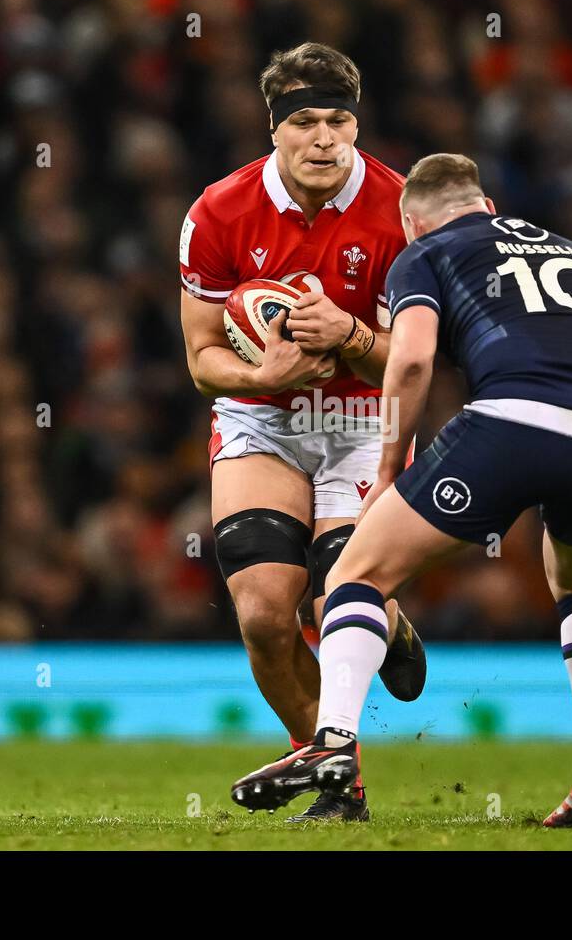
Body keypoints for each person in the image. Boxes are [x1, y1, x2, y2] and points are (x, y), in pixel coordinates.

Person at [231, 153, 572, 827]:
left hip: (512, 422)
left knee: (356, 573)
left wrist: (387, 470)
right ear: (487, 209)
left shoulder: (426, 252)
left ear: (414, 223)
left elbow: (413, 357)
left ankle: (332, 752)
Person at [178, 43, 426, 822]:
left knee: (334, 595)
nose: (324, 138)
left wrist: (351, 335)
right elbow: (201, 358)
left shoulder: (403, 212)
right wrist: (263, 376)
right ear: (274, 127)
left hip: (364, 419)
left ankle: (380, 614)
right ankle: (335, 772)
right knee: (261, 614)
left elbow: (426, 357)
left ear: (357, 123)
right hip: (265, 417)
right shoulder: (218, 212)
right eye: (306, 121)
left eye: (339, 120)